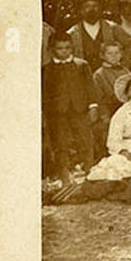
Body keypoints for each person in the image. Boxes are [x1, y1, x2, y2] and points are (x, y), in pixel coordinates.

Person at [43, 33, 98, 180]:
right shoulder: (47, 69)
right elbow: (45, 92)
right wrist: (47, 112)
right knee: (60, 142)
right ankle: (64, 174)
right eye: (60, 48)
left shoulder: (82, 65)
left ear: (72, 47)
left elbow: (90, 87)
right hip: (58, 112)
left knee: (85, 139)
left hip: (80, 109)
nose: (64, 51)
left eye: (67, 48)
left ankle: (89, 170)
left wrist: (93, 106)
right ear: (52, 49)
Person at [67, 0, 131, 72]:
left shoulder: (112, 28)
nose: (91, 9)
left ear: (100, 10)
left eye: (95, 6)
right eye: (87, 6)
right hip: (83, 74)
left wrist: (123, 64)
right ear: (81, 11)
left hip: (108, 74)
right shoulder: (73, 33)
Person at [90, 42, 131, 156]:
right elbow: (98, 98)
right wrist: (104, 115)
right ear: (102, 55)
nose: (114, 56)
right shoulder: (99, 74)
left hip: (127, 107)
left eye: (117, 53)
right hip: (110, 108)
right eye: (110, 53)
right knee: (108, 130)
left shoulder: (125, 70)